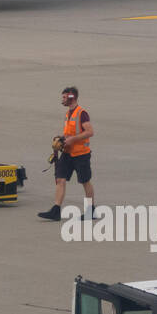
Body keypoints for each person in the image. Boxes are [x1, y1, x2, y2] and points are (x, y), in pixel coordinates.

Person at [38, 86, 95, 220]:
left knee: (85, 181)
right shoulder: (68, 114)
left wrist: (72, 139)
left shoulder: (82, 113)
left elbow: (90, 132)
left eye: (64, 97)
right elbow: (70, 132)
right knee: (60, 179)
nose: (62, 100)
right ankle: (56, 210)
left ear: (71, 97)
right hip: (67, 153)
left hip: (81, 154)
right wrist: (62, 139)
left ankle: (90, 211)